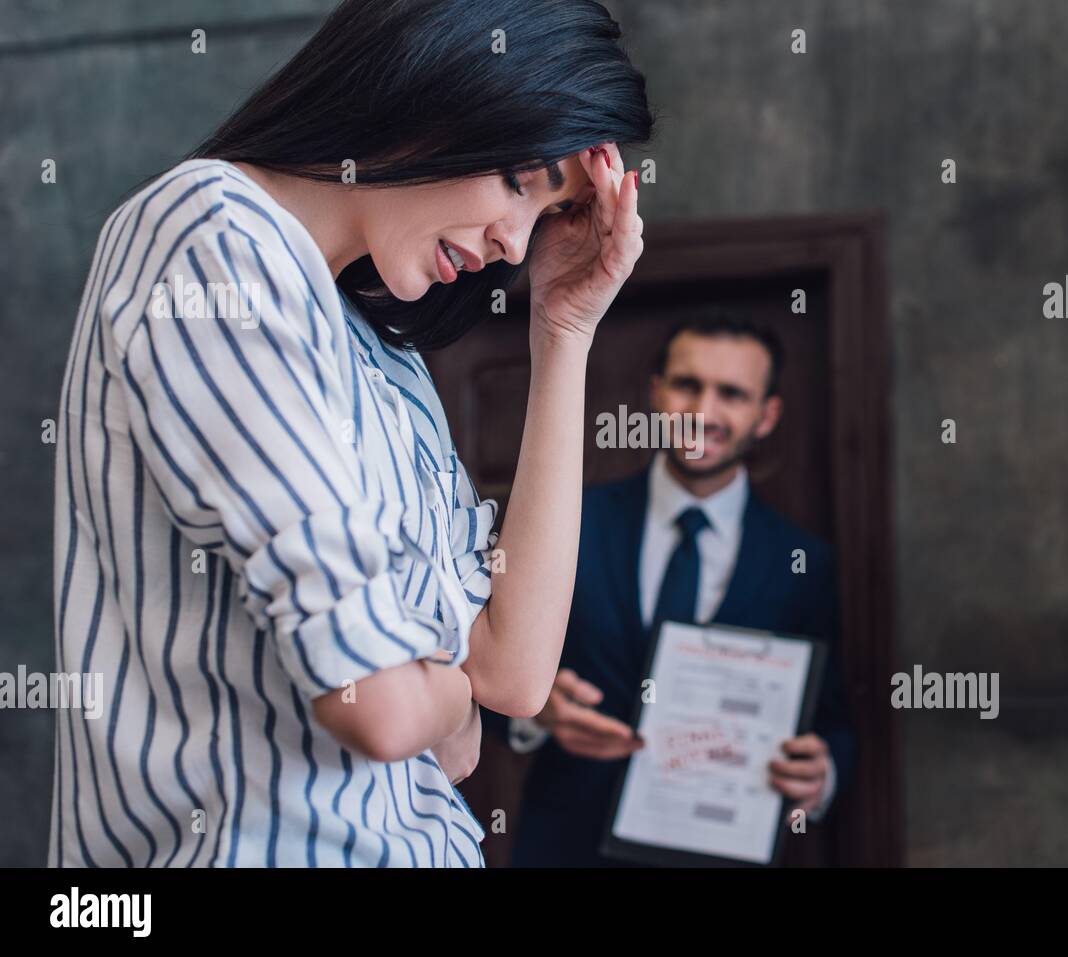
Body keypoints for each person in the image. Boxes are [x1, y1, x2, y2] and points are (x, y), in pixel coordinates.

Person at [49, 0, 652, 868]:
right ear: (439, 85)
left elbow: (512, 677)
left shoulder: (380, 355)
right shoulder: (210, 237)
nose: (514, 247)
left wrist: (565, 333)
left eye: (545, 212)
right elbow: (382, 705)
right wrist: (445, 703)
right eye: (520, 181)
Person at [485, 314, 856, 866]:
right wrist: (535, 711)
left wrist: (824, 772)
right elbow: (487, 667)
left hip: (727, 849)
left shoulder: (804, 563)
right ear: (657, 393)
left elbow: (836, 712)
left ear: (766, 415)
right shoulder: (569, 522)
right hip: (568, 848)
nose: (703, 411)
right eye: (687, 385)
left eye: (731, 393)